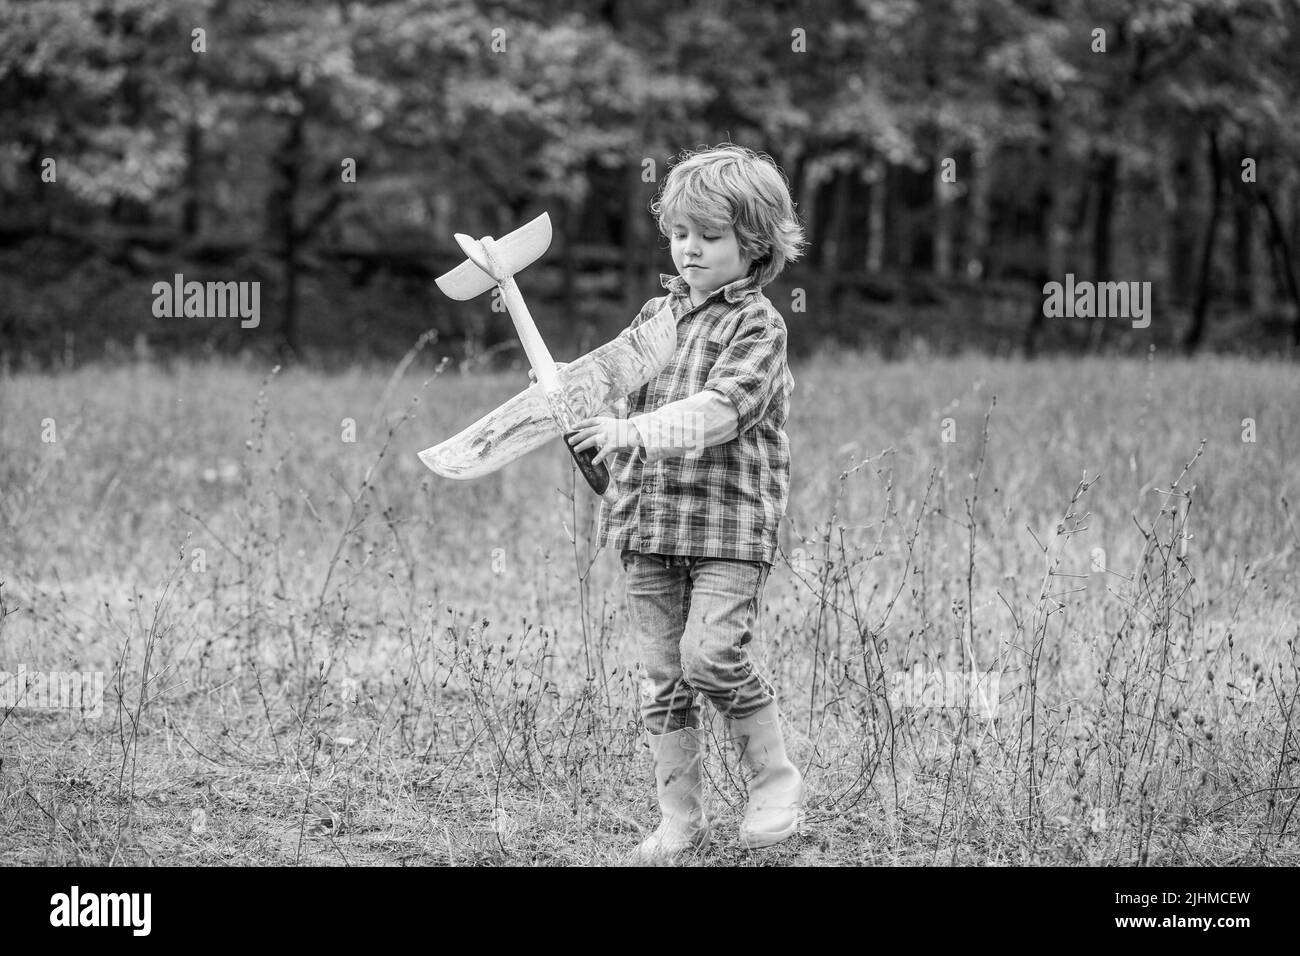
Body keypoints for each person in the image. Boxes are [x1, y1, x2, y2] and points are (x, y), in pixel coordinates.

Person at [567, 143, 806, 860]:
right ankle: (678, 817)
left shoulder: (759, 327)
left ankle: (775, 783)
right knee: (664, 680)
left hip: (726, 529)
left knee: (710, 657)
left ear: (755, 242)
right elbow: (605, 389)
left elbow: (715, 413)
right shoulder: (655, 317)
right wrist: (568, 395)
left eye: (710, 236)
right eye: (680, 235)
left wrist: (629, 429)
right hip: (647, 523)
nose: (691, 250)